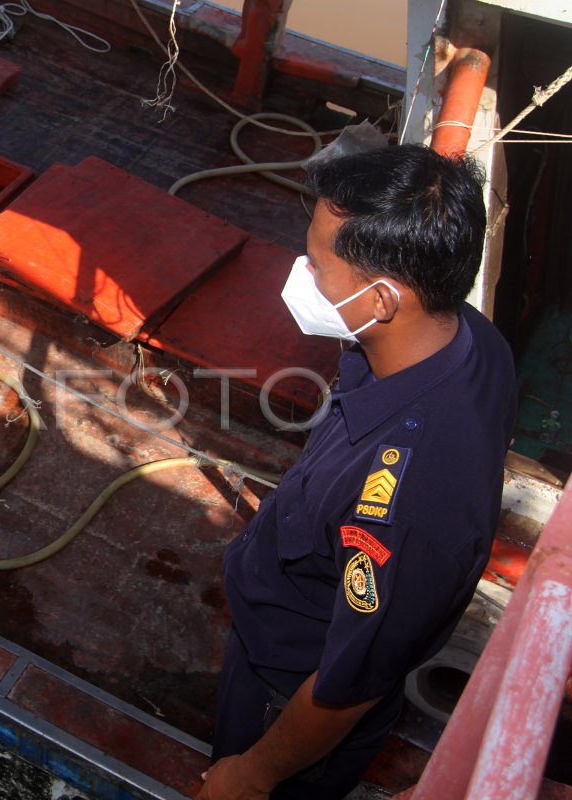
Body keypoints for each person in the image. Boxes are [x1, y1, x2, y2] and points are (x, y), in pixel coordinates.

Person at [197, 144, 516, 799]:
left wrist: (252, 776)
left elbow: (348, 685)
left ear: (383, 299)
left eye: (317, 265)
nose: (301, 274)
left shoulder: (405, 504)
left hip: (289, 694)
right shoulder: (472, 339)